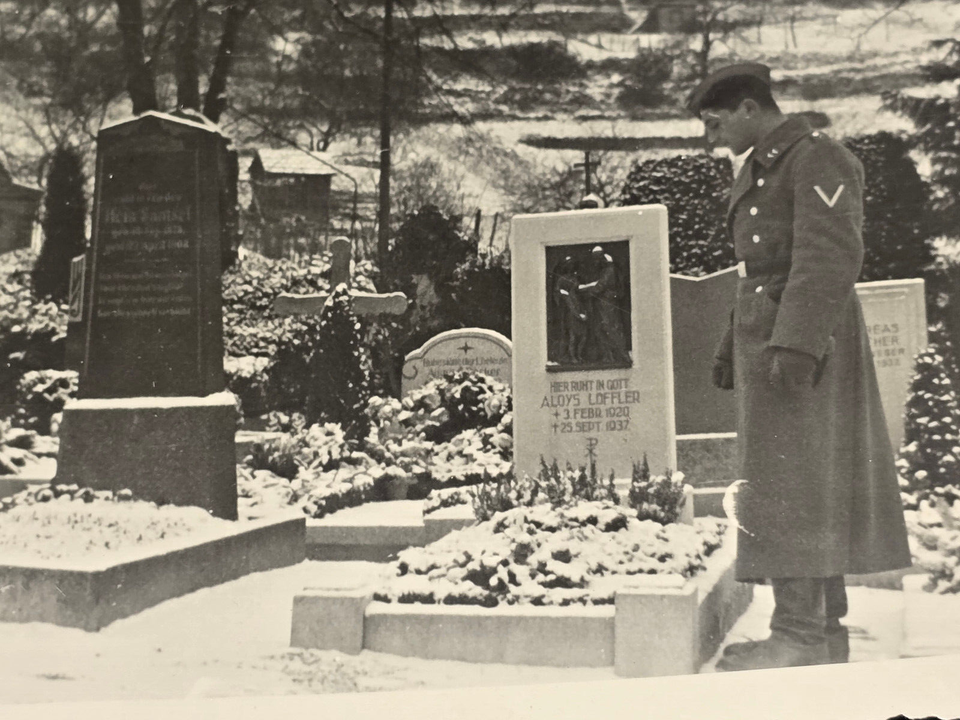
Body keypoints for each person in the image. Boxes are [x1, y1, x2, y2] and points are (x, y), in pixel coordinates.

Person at [685, 63, 912, 672]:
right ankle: (819, 631)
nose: (711, 138)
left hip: (807, 346)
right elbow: (757, 275)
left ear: (751, 109)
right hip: (777, 342)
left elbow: (827, 256)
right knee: (799, 482)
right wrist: (735, 344)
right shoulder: (767, 167)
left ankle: (800, 635)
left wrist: (796, 345)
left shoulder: (816, 158)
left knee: (794, 488)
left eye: (715, 122)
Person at [579, 246, 630, 365]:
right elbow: (599, 283)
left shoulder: (609, 270)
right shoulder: (607, 270)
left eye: (597, 259)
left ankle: (622, 357)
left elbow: (601, 285)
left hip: (607, 304)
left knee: (610, 328)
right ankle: (610, 357)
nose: (596, 262)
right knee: (603, 329)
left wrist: (586, 293)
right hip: (603, 303)